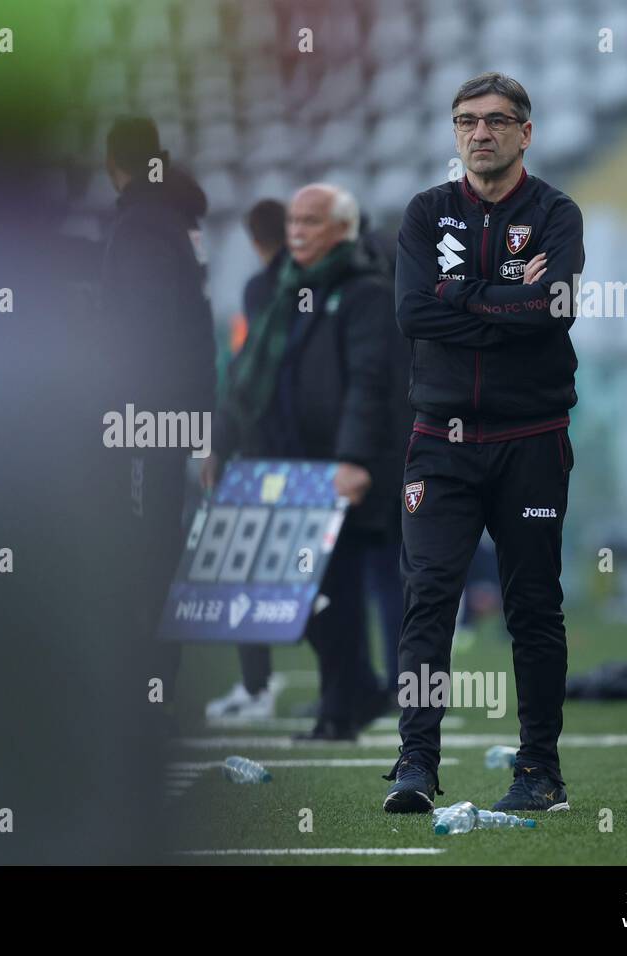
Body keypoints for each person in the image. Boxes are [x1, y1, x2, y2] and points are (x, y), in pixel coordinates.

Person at [382, 73, 584, 812]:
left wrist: (459, 295)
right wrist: (505, 297)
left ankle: (539, 771)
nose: (480, 133)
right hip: (441, 442)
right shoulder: (426, 212)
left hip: (531, 439)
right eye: (467, 121)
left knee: (532, 604)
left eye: (497, 121)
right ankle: (415, 763)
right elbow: (412, 313)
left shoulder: (556, 213)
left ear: (525, 133)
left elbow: (553, 309)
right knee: (428, 598)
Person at [204, 183, 408, 741]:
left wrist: (355, 460)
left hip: (340, 468)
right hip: (286, 465)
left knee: (335, 589)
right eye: (294, 220)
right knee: (302, 594)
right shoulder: (282, 290)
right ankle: (354, 693)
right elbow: (245, 376)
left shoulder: (366, 293)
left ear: (343, 228)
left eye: (312, 221)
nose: (297, 231)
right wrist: (220, 444)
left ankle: (340, 710)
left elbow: (370, 384)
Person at [98, 116, 217, 705]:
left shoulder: (142, 224)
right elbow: (193, 325)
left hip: (142, 415)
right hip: (172, 410)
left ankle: (145, 684)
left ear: (111, 164)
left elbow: (150, 327)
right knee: (157, 542)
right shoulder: (176, 220)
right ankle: (155, 682)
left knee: (141, 546)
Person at [205, 198, 288, 721]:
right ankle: (352, 688)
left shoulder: (262, 289)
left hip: (264, 451)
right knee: (321, 575)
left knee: (249, 569)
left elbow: (246, 373)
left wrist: (221, 442)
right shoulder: (315, 284)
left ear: (255, 240)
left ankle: (257, 685)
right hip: (314, 450)